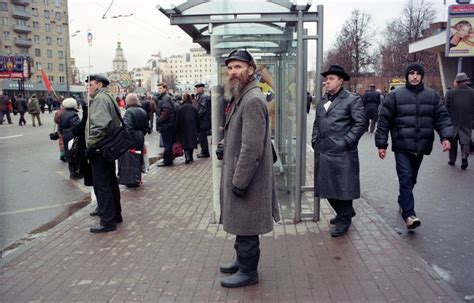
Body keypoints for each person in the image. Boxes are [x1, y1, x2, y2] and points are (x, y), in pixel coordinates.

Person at [218, 49, 280, 288]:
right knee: (241, 223)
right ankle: (240, 261)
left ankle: (248, 271)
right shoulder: (242, 95)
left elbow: (252, 148)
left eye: (239, 67)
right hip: (241, 173)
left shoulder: (252, 99)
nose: (233, 72)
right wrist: (225, 144)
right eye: (230, 68)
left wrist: (239, 182)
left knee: (247, 225)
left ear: (251, 70)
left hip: (247, 177)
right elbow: (240, 133)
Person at [375, 63, 453, 230]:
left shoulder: (432, 96)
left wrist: (446, 137)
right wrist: (381, 144)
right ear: (407, 76)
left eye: (418, 73)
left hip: (422, 146)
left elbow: (442, 118)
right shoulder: (395, 96)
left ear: (422, 76)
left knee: (412, 179)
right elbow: (384, 121)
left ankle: (403, 200)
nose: (415, 76)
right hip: (402, 145)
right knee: (406, 177)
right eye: (411, 73)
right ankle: (409, 214)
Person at [311, 65, 367, 237]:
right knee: (327, 187)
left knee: (343, 187)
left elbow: (360, 124)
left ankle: (344, 219)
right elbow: (316, 124)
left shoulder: (352, 100)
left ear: (341, 81)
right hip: (324, 151)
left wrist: (347, 142)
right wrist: (314, 141)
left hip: (342, 153)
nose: (327, 82)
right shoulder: (322, 101)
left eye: (331, 79)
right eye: (326, 79)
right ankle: (346, 212)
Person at [85, 74, 122, 233]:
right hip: (108, 147)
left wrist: (91, 146)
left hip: (100, 148)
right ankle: (115, 215)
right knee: (111, 182)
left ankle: (107, 221)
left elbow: (99, 126)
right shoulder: (108, 96)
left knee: (102, 185)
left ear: (99, 85)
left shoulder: (100, 99)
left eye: (90, 85)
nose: (88, 88)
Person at [118, 93, 150, 187]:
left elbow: (127, 127)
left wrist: (127, 140)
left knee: (131, 158)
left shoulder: (129, 112)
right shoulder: (142, 111)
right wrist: (141, 134)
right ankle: (137, 178)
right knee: (138, 158)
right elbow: (146, 127)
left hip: (132, 138)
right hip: (140, 137)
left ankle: (131, 180)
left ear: (128, 102)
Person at [445, 72, 474, 170]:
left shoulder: (450, 93)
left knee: (452, 141)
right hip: (467, 120)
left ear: (457, 82)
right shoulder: (472, 92)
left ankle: (452, 160)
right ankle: (464, 156)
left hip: (453, 121)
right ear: (466, 81)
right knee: (465, 141)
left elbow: (445, 108)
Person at [59, 98, 81, 179]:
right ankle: (75, 173)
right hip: (72, 135)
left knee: (69, 154)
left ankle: (72, 172)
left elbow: (60, 126)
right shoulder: (73, 114)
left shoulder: (62, 113)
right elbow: (76, 126)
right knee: (74, 154)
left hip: (65, 135)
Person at [155, 82, 176, 167]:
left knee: (167, 144)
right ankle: (168, 159)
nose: (159, 90)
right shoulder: (164, 97)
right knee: (168, 143)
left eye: (160, 88)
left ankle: (167, 161)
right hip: (167, 124)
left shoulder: (165, 98)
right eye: (158, 88)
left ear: (165, 89)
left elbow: (166, 111)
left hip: (166, 125)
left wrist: (159, 120)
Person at [176, 92, 199, 164]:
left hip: (183, 128)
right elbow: (197, 118)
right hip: (192, 128)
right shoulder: (193, 108)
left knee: (185, 143)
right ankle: (191, 156)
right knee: (191, 142)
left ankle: (187, 157)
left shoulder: (180, 108)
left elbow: (177, 119)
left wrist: (177, 128)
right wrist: (197, 127)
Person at [195, 83, 211, 158]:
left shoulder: (203, 97)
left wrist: (196, 116)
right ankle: (204, 152)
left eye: (198, 88)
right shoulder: (200, 96)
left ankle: (205, 152)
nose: (197, 89)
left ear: (202, 88)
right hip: (202, 121)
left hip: (203, 121)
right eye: (196, 88)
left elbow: (203, 109)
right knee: (202, 137)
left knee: (202, 137)